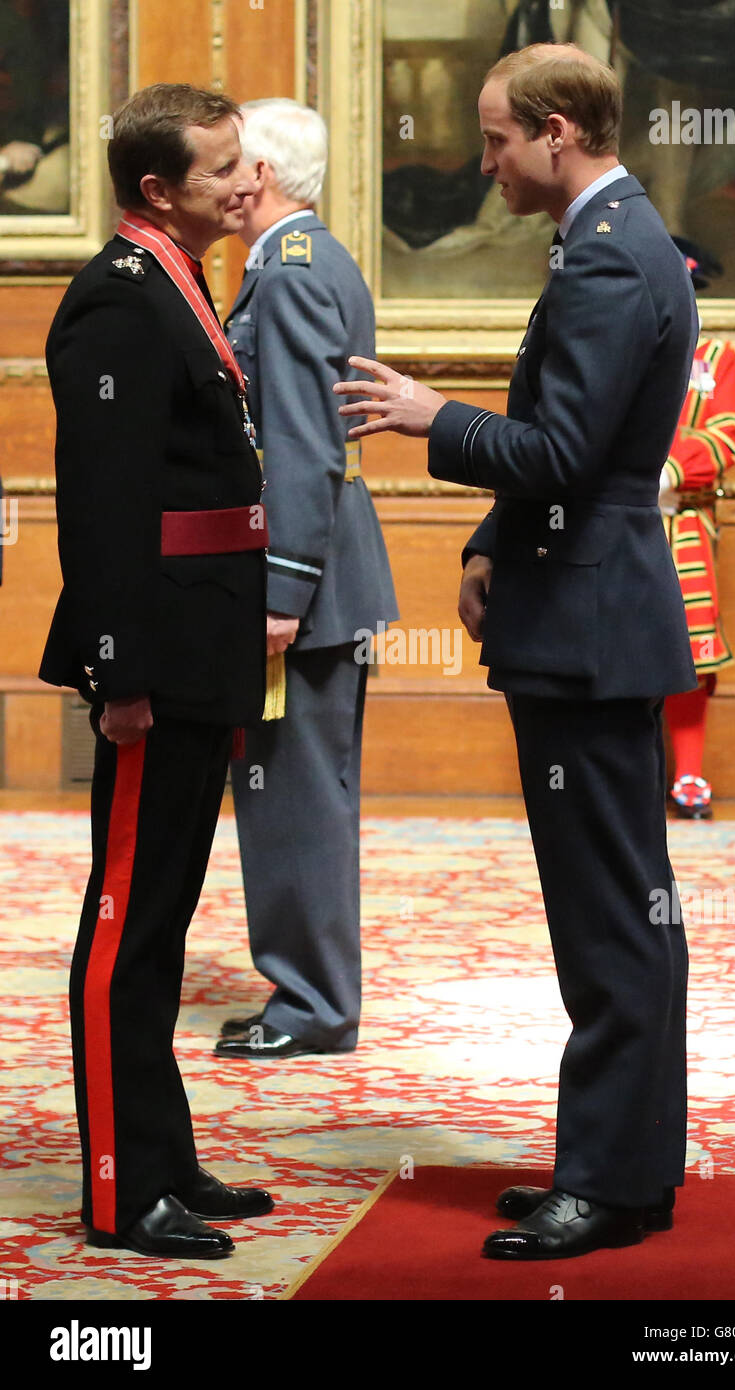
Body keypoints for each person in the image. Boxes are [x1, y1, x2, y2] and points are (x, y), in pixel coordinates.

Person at [335, 42, 698, 1260]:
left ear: (556, 133)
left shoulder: (605, 257)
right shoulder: (612, 238)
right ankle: (623, 1165)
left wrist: (433, 416)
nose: (481, 161)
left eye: (495, 139)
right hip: (583, 607)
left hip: (588, 629)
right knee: (618, 905)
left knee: (608, 917)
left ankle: (608, 1181)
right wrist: (496, 538)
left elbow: (562, 454)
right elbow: (564, 446)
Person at [39, 83, 275, 1259]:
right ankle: (121, 1188)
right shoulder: (118, 305)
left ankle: (166, 1153)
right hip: (156, 661)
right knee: (127, 920)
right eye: (223, 166)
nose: (248, 178)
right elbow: (107, 507)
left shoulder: (177, 282)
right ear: (158, 191)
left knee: (165, 923)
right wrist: (117, 671)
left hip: (201, 644)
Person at [214, 99, 398, 1061]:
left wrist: (281, 591)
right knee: (300, 791)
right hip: (328, 567)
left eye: (229, 158)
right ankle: (308, 991)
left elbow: (296, 442)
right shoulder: (304, 260)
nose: (218, 174)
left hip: (308, 582)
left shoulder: (284, 276)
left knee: (294, 797)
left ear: (262, 174)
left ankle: (312, 1005)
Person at [660, 243, 735, 818]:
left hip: (685, 523)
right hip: (617, 519)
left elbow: (727, 434)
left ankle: (688, 776)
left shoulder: (715, 357)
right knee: (618, 651)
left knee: (691, 657)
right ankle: (632, 776)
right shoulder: (624, 347)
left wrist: (670, 467)